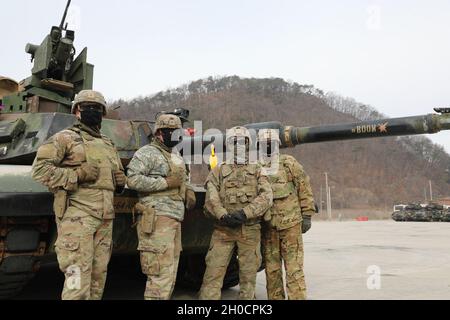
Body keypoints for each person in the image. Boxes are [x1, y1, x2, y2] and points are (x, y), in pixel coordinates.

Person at [31, 90, 127, 300]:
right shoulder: (64, 138)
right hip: (77, 218)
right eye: (87, 108)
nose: (92, 112)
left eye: (97, 109)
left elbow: (115, 175)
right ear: (77, 111)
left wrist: (120, 182)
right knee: (76, 279)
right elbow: (39, 171)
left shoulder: (108, 144)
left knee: (97, 277)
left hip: (105, 219)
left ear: (103, 114)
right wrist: (77, 174)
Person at [127, 114, 196, 300]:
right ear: (158, 133)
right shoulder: (146, 153)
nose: (175, 136)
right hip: (157, 218)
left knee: (170, 273)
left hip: (174, 219)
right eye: (170, 132)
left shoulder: (176, 156)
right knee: (159, 275)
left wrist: (187, 189)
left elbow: (182, 179)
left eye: (177, 132)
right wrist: (164, 183)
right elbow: (132, 180)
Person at [199, 126, 273, 300]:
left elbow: (267, 196)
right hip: (222, 230)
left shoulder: (257, 170)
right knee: (213, 275)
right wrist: (222, 215)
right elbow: (211, 197)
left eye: (242, 142)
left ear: (247, 144)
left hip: (249, 229)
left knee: (248, 278)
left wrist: (245, 213)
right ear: (228, 145)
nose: (238, 145)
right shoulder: (218, 171)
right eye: (234, 141)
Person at [257, 129, 316, 300]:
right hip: (268, 227)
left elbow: (304, 187)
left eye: (271, 143)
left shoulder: (289, 163)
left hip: (290, 225)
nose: (268, 147)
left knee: (294, 269)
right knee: (272, 271)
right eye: (264, 144)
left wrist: (307, 215)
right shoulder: (256, 167)